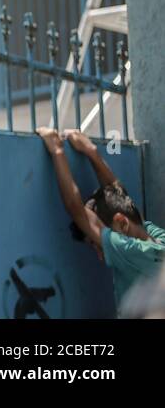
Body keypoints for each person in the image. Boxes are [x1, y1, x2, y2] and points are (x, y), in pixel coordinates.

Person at [37, 126, 165, 316]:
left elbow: (76, 209)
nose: (100, 253)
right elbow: (121, 198)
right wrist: (91, 151)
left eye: (97, 244)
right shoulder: (155, 240)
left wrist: (57, 150)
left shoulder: (130, 250)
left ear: (122, 223)